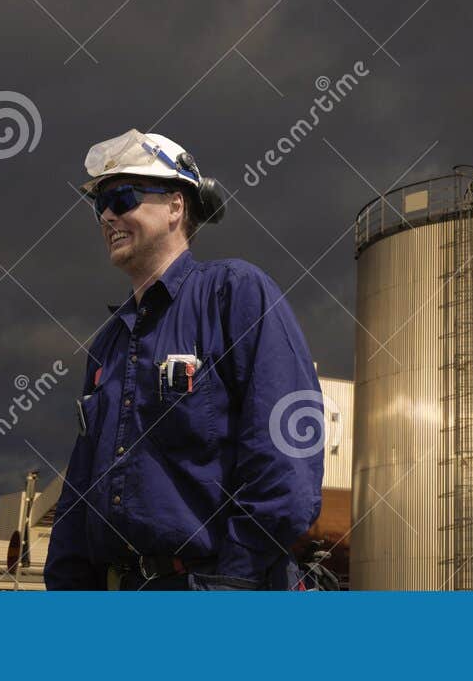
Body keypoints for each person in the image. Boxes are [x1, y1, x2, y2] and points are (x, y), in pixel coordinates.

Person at [45, 129, 324, 590]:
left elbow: (286, 463)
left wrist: (228, 583)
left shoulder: (235, 293)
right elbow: (79, 492)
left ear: (176, 206)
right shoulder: (107, 345)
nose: (107, 216)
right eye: (100, 205)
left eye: (122, 197)